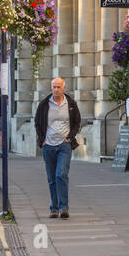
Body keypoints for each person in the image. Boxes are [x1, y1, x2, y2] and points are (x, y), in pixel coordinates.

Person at [34, 76, 81, 219]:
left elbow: (77, 122)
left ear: (63, 88)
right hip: (48, 146)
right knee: (51, 178)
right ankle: (54, 208)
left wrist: (69, 138)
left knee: (61, 174)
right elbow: (37, 123)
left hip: (64, 145)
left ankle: (64, 208)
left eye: (58, 87)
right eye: (54, 87)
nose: (56, 89)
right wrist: (42, 140)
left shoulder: (70, 104)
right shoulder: (44, 104)